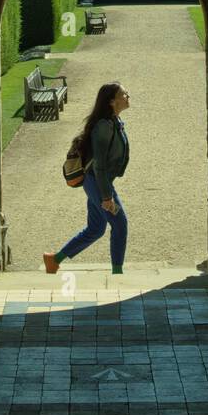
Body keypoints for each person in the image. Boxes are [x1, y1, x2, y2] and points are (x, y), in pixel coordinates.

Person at [44, 81, 130, 276]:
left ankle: (54, 260)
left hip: (98, 183)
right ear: (111, 101)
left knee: (96, 228)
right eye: (124, 94)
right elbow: (99, 165)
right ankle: (117, 273)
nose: (128, 97)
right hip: (98, 183)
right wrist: (107, 197)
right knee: (120, 224)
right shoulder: (104, 126)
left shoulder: (114, 122)